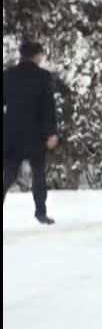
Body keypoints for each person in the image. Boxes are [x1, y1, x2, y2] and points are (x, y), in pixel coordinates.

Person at [2, 41, 59, 225]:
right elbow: (48, 107)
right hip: (35, 134)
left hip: (11, 134)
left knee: (8, 174)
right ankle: (40, 212)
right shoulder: (43, 77)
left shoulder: (8, 76)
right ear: (36, 55)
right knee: (38, 174)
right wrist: (51, 132)